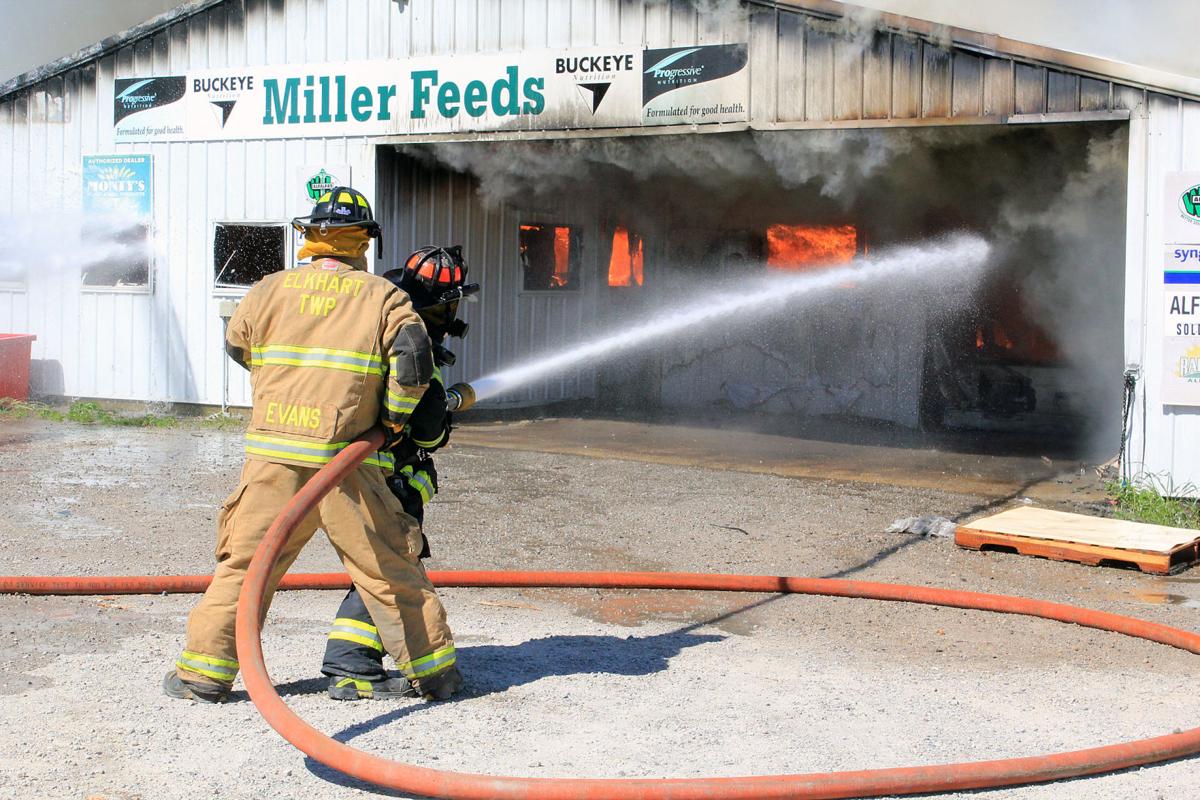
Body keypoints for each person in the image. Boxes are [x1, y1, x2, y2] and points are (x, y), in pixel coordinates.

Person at [163, 187, 462, 704]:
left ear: (309, 237)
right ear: (364, 240)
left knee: (246, 567)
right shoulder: (383, 297)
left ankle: (203, 674)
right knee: (388, 567)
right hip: (346, 461)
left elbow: (238, 344)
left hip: (273, 460)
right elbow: (414, 362)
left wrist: (288, 386)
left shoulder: (267, 290)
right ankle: (434, 674)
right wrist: (390, 420)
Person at [321, 245, 475, 700]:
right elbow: (427, 434)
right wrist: (442, 409)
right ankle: (352, 666)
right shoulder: (417, 341)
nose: (454, 314)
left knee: (374, 567)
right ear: (440, 305)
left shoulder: (380, 315)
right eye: (451, 304)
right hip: (388, 477)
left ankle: (355, 657)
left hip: (336, 459)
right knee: (388, 567)